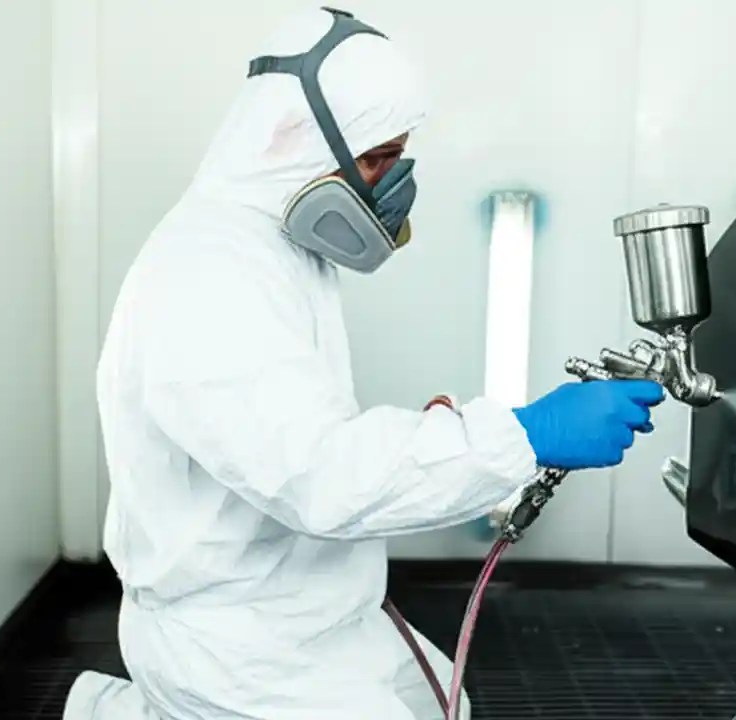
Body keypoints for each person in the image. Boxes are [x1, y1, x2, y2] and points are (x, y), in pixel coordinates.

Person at [63, 8, 663, 720]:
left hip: (316, 604)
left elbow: (290, 428)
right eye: (377, 160)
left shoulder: (276, 246)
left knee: (447, 706)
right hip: (239, 642)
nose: (385, 188)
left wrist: (433, 435)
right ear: (292, 140)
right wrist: (522, 435)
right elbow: (317, 475)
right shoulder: (209, 275)